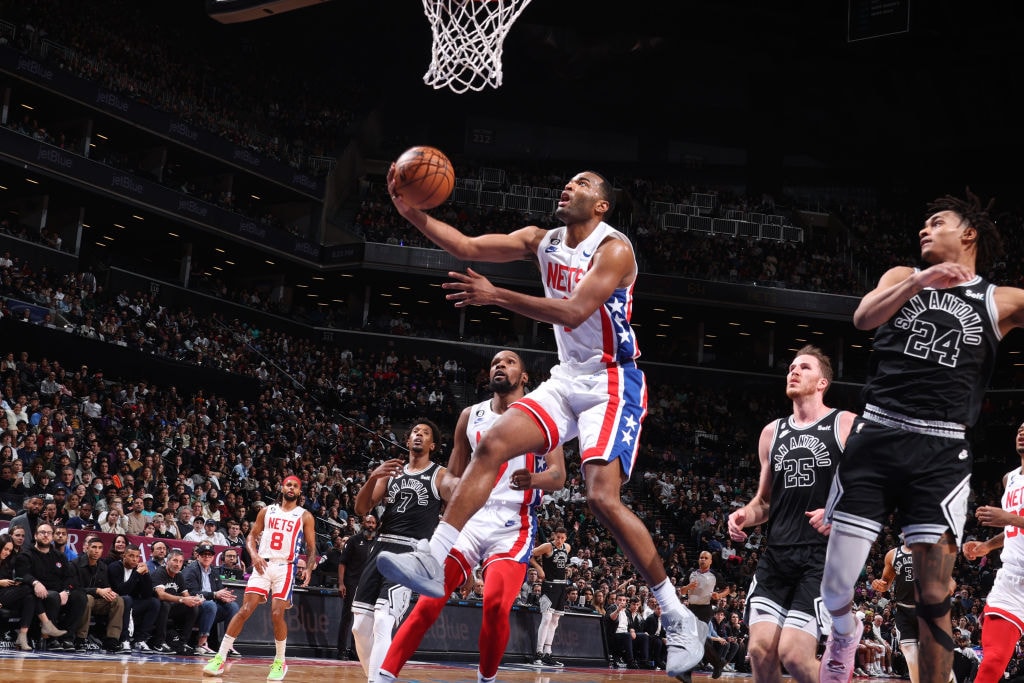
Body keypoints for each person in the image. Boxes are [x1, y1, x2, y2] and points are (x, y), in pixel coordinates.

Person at [377, 169, 705, 679]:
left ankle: (675, 614)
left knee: (600, 498)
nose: (568, 186)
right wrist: (412, 213)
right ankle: (432, 557)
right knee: (492, 442)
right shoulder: (541, 240)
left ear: (601, 205)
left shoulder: (614, 250)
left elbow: (574, 312)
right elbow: (464, 244)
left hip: (611, 381)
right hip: (567, 377)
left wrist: (497, 296)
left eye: (583, 183)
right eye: (567, 182)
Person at [819, 189, 1024, 683]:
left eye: (937, 222)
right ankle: (844, 630)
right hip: (877, 434)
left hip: (941, 447)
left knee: (935, 591)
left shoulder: (998, 299)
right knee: (836, 585)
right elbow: (863, 318)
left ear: (968, 233)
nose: (923, 230)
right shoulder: (900, 277)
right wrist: (921, 281)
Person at [379, 351, 566, 683]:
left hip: (512, 524)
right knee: (426, 603)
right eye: (495, 362)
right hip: (468, 521)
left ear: (524, 377)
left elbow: (558, 476)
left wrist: (534, 480)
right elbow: (452, 476)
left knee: (495, 608)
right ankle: (383, 677)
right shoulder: (470, 415)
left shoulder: (543, 416)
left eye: (509, 362)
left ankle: (486, 679)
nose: (500, 366)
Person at [727, 345, 855, 683]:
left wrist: (838, 512)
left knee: (795, 655)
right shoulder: (772, 432)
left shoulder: (844, 424)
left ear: (822, 382)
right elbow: (764, 503)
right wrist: (744, 514)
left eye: (804, 368)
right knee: (759, 651)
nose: (793, 372)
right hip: (777, 555)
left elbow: (877, 487)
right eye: (791, 367)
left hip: (822, 558)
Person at [351, 419, 454, 683]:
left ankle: (376, 681)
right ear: (407, 441)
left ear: (433, 445)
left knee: (384, 620)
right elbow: (361, 510)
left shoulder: (439, 475)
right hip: (381, 548)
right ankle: (375, 677)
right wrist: (374, 476)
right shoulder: (392, 473)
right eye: (415, 432)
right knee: (359, 626)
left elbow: (458, 509)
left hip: (409, 553)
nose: (419, 435)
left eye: (425, 433)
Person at [203, 475, 317, 680]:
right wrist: (254, 556)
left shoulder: (304, 515)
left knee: (276, 614)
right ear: (282, 487)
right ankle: (220, 657)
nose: (291, 488)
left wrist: (308, 568)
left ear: (299, 492)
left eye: (295, 486)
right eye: (288, 484)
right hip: (263, 564)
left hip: (286, 567)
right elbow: (250, 536)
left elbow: (311, 547)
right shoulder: (267, 511)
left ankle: (280, 662)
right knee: (245, 609)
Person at [961, 418, 1024, 683]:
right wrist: (987, 545)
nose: (1022, 433)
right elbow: (1014, 530)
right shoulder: (1010, 478)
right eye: (1020, 429)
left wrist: (1009, 518)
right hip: (1012, 582)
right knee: (994, 660)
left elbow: (1013, 521)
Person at [1, 530, 67, 651]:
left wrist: (15, 582)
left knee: (30, 597)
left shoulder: (7, 562)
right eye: (5, 549)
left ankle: (22, 636)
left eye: (9, 550)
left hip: (7, 594)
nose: (7, 553)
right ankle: (46, 624)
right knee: (29, 587)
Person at [182, 541, 240, 655]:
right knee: (210, 604)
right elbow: (192, 592)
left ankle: (227, 645)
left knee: (233, 606)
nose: (207, 557)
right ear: (197, 556)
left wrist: (224, 597)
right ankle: (201, 644)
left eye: (209, 555)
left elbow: (219, 590)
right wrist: (214, 595)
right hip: (194, 606)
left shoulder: (214, 571)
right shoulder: (190, 570)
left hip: (210, 607)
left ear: (213, 557)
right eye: (204, 554)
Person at [680, 550, 731, 677]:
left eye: (705, 558)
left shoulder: (714, 575)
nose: (702, 559)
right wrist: (688, 587)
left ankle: (687, 671)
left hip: (705, 609)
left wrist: (718, 595)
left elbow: (727, 589)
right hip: (691, 608)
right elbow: (681, 591)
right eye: (701, 557)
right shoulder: (691, 573)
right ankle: (718, 663)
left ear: (710, 561)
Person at [72, 535, 127, 653]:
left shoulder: (103, 566)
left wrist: (110, 593)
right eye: (94, 547)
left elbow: (105, 588)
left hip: (97, 602)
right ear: (86, 548)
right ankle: (80, 639)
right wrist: (97, 590)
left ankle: (112, 640)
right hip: (77, 601)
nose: (97, 550)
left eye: (100, 548)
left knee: (118, 600)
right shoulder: (75, 564)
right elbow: (74, 588)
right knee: (87, 598)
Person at [530, 525, 572, 666]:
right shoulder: (547, 546)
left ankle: (548, 653)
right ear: (554, 535)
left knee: (555, 622)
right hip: (549, 585)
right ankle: (538, 653)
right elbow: (530, 555)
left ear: (565, 538)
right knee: (546, 618)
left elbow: (560, 565)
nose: (559, 540)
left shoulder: (567, 547)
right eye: (558, 537)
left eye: (562, 538)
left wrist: (567, 569)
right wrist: (539, 568)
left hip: (561, 587)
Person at [336, 514, 377, 660]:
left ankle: (356, 652)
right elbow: (342, 563)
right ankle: (341, 650)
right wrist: (341, 583)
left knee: (363, 621)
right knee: (347, 617)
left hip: (369, 587)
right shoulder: (353, 540)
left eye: (373, 523)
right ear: (362, 524)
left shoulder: (378, 543)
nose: (370, 525)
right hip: (352, 583)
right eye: (368, 522)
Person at [108, 542, 160, 653]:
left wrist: (146, 575)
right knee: (126, 599)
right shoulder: (114, 567)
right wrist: (136, 574)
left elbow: (147, 594)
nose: (135, 559)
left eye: (137, 556)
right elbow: (121, 591)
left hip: (133, 604)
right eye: (131, 556)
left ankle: (140, 639)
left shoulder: (139, 569)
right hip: (116, 603)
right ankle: (124, 640)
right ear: (124, 556)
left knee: (154, 602)